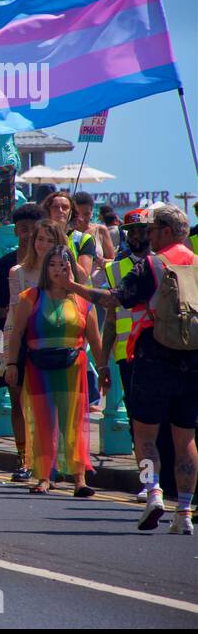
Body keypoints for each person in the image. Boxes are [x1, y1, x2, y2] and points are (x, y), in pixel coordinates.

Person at [66, 203, 197, 535]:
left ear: (166, 231)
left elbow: (112, 300)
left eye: (152, 230)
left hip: (153, 357)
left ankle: (152, 492)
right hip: (193, 362)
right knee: (186, 439)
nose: (148, 236)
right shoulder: (196, 265)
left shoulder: (151, 266)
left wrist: (74, 288)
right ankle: (184, 511)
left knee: (145, 436)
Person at [4, 246, 107, 495]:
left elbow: (94, 339)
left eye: (64, 265)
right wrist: (10, 365)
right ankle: (44, 477)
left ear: (72, 268)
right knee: (43, 422)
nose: (58, 270)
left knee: (74, 423)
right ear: (45, 268)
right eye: (53, 265)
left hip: (73, 368)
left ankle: (79, 479)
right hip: (38, 368)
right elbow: (16, 334)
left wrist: (104, 369)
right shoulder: (31, 297)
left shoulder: (83, 301)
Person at [102, 209, 170, 500]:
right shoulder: (114, 270)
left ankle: (168, 481)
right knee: (138, 426)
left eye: (144, 230)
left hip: (164, 351)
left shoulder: (165, 264)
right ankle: (148, 481)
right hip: (127, 356)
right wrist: (102, 361)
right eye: (132, 232)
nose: (138, 236)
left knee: (169, 423)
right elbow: (109, 319)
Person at [0, 203, 44, 482]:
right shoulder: (5, 264)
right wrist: (7, 312)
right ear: (15, 230)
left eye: (34, 230)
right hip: (10, 338)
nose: (28, 235)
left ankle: (45, 460)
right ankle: (23, 460)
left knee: (42, 401)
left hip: (44, 338)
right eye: (23, 229)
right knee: (17, 399)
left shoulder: (51, 262)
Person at [41, 190, 96, 281]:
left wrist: (65, 248)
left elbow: (83, 277)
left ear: (71, 213)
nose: (60, 211)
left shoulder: (84, 239)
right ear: (48, 211)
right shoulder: (41, 238)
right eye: (55, 207)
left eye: (65, 207)